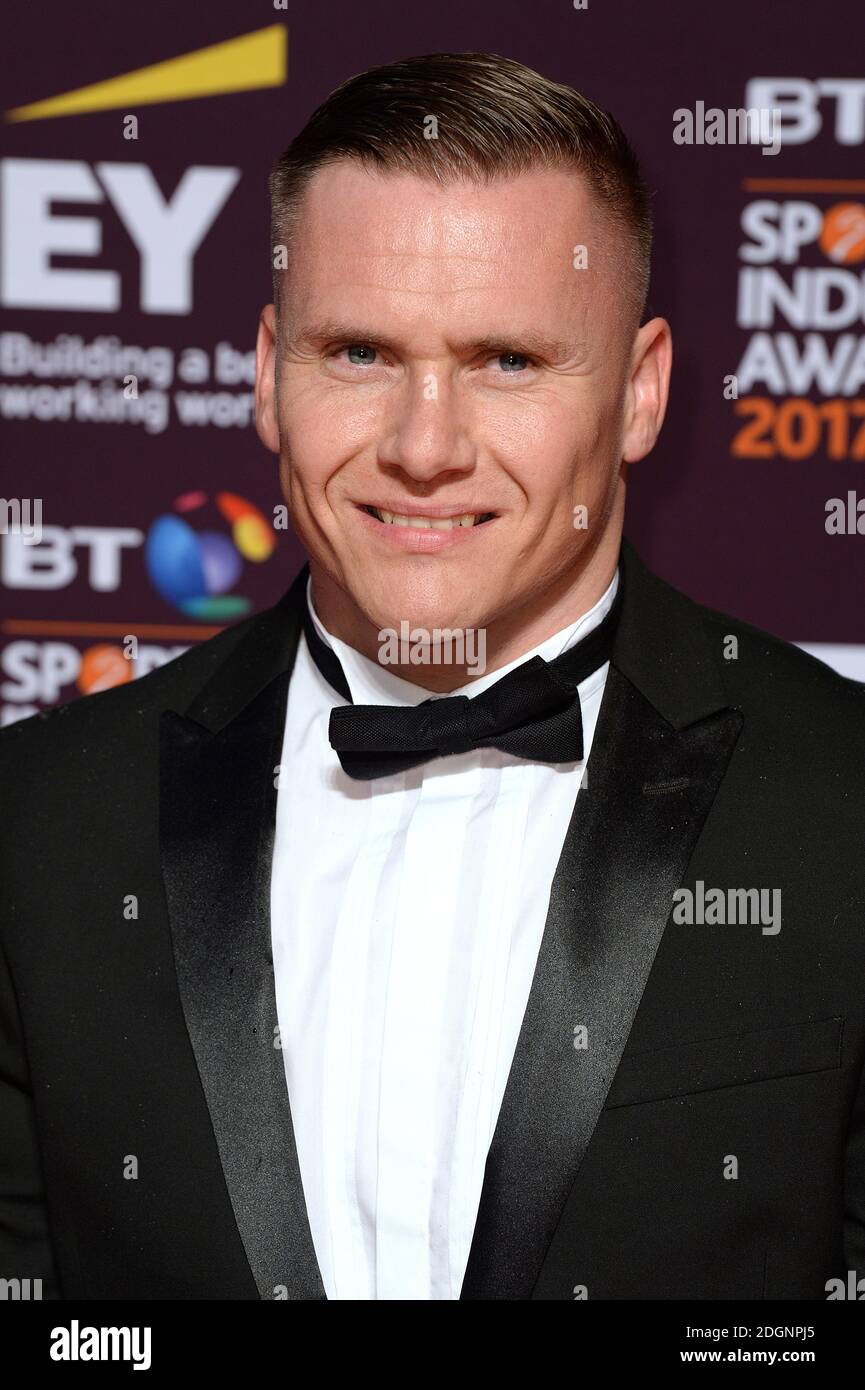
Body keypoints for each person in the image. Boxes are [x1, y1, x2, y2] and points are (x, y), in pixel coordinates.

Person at [1, 51, 863, 1302]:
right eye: (356, 352)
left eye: (507, 360)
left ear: (638, 392)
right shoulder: (39, 820)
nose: (422, 446)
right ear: (264, 372)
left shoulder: (841, 801)